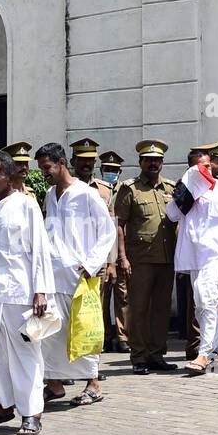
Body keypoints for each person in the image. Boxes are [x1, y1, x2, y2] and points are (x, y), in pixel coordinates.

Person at [0, 151, 54, 435]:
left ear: (9, 176)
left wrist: (41, 291)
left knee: (25, 353)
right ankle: (3, 405)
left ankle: (32, 413)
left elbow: (40, 249)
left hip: (20, 291)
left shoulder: (26, 205)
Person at [37, 142, 116, 406]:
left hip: (80, 274)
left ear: (61, 164)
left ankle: (93, 384)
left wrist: (92, 263)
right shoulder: (50, 194)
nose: (44, 173)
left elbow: (108, 231)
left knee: (83, 328)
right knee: (51, 330)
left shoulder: (86, 194)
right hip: (53, 274)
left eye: (47, 167)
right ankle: (55, 384)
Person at [166, 143, 218, 374]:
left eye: (206, 164)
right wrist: (185, 193)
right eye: (198, 166)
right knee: (203, 304)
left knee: (205, 298)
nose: (204, 169)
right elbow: (172, 215)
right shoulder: (187, 191)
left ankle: (204, 354)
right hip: (193, 255)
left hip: (216, 254)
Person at [113, 140, 177, 375]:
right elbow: (119, 224)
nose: (153, 164)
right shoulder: (130, 189)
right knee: (138, 309)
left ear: (162, 163)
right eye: (149, 160)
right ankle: (138, 356)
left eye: (157, 160)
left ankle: (156, 354)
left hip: (166, 259)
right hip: (139, 259)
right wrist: (122, 257)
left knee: (161, 310)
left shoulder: (170, 188)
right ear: (140, 162)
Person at [69, 138, 124, 353]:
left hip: (97, 262)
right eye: (82, 160)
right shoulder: (62, 189)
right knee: (71, 311)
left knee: (96, 312)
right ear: (73, 161)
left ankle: (93, 361)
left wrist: (111, 263)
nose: (86, 164)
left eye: (90, 160)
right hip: (71, 261)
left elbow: (111, 228)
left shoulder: (104, 190)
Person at [97, 150, 131, 352]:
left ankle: (123, 336)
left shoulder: (126, 189)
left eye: (114, 170)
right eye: (107, 169)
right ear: (101, 170)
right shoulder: (97, 190)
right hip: (104, 251)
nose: (111, 173)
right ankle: (104, 336)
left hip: (124, 249)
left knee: (123, 295)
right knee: (102, 296)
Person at [0, 141, 36, 220]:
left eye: (26, 163)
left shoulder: (30, 196)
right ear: (9, 167)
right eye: (19, 163)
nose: (24, 167)